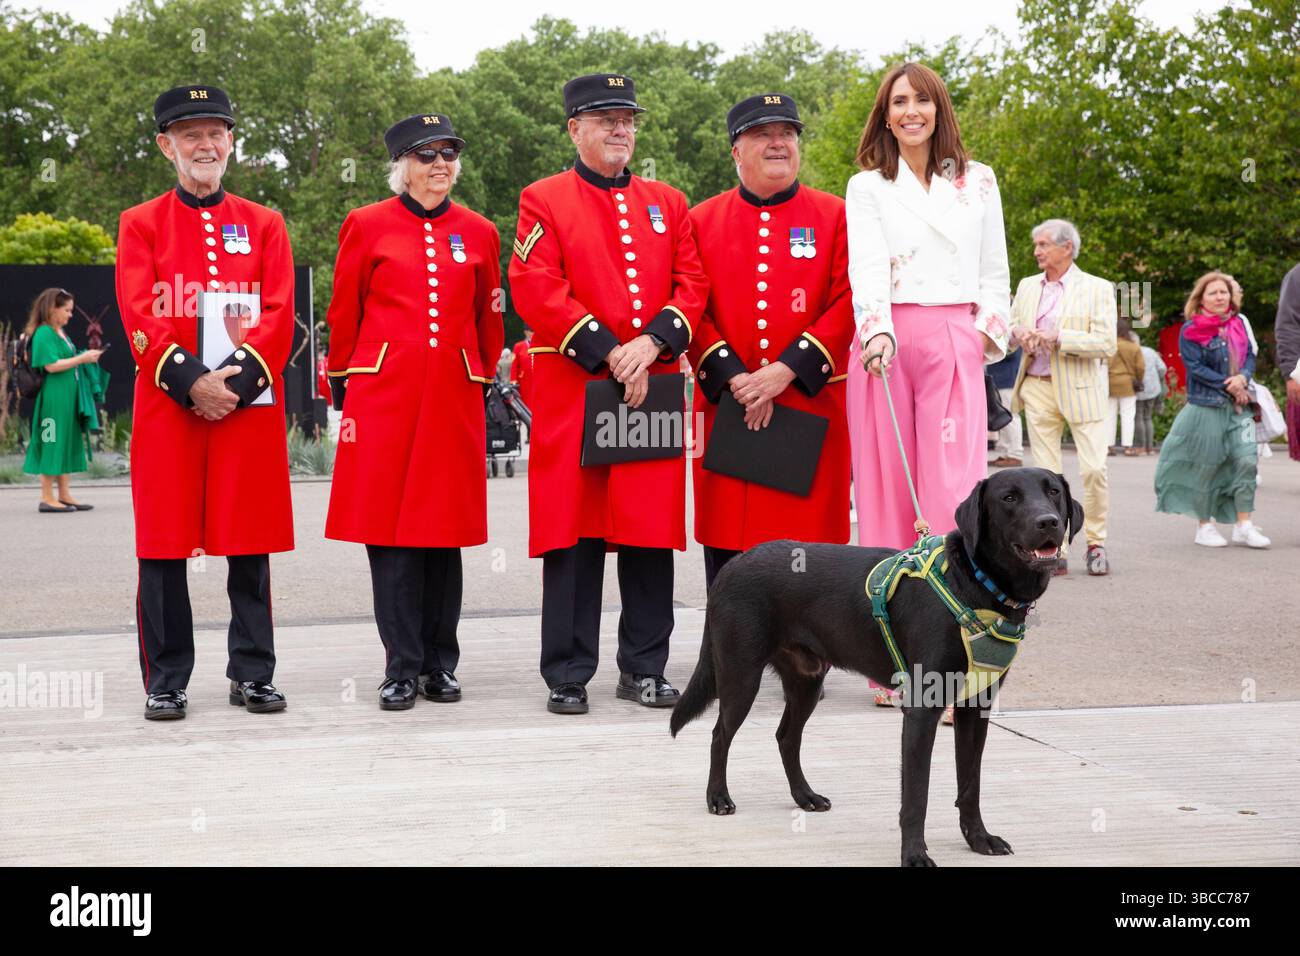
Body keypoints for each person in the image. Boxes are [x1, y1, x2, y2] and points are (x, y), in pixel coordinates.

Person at [508, 73, 708, 715]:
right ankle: (568, 672)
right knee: (575, 530)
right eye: (604, 119)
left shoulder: (669, 202)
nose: (620, 129)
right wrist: (607, 348)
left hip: (648, 384)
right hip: (578, 386)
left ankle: (645, 668)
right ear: (575, 128)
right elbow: (534, 285)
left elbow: (692, 285)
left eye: (627, 119)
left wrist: (650, 343)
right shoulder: (543, 198)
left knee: (648, 528)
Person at [115, 85, 295, 720]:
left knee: (250, 542)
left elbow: (279, 313)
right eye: (191, 134)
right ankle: (166, 678)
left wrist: (234, 384)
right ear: (167, 146)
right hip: (170, 409)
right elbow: (139, 314)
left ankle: (253, 672)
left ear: (230, 142)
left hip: (244, 409)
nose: (206, 144)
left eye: (216, 132)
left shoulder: (266, 223)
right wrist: (191, 381)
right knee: (163, 547)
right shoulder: (140, 223)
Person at [324, 114, 503, 710]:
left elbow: (488, 317)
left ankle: (439, 664)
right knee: (392, 535)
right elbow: (344, 308)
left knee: (442, 535)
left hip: (454, 394)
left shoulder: (479, 231)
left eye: (449, 153)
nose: (440, 165)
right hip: (384, 396)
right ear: (401, 166)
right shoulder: (366, 224)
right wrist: (342, 384)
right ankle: (400, 666)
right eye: (426, 155)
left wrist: (480, 376)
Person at [688, 93, 853, 588]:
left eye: (788, 133)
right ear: (735, 150)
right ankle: (727, 663)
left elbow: (848, 300)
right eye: (763, 134)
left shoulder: (836, 214)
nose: (779, 143)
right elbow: (689, 305)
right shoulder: (698, 221)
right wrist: (738, 379)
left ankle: (806, 666)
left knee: (810, 560)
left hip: (808, 403)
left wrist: (783, 373)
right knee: (731, 561)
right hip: (728, 406)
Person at [1008, 219, 1116, 576]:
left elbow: (1106, 343)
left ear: (1066, 247)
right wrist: (1018, 332)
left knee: (1094, 469)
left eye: (1043, 245)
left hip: (1082, 390)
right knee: (1047, 476)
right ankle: (1055, 548)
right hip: (1037, 387)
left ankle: (1096, 542)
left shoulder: (1097, 288)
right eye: (1036, 245)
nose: (1036, 251)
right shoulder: (1026, 286)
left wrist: (1060, 337)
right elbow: (1008, 328)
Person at [1155, 271, 1268, 548]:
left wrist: (1243, 377)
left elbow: (1250, 356)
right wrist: (1230, 384)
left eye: (1224, 292)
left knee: (1247, 462)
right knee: (1207, 467)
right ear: (1201, 298)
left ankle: (1244, 525)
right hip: (1207, 406)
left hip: (1239, 407)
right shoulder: (1191, 329)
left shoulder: (1239, 323)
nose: (1220, 297)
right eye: (1213, 292)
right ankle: (1204, 526)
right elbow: (1195, 368)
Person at [22, 288, 103, 511]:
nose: (70, 315)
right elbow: (50, 366)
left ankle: (64, 494)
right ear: (52, 308)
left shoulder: (59, 332)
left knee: (64, 440)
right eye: (66, 310)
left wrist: (85, 358)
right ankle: (47, 497)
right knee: (51, 441)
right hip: (53, 400)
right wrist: (82, 358)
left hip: (66, 398)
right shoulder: (44, 333)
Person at [1104, 317, 1145, 456]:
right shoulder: (1133, 347)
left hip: (1110, 384)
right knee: (1128, 416)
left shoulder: (1109, 345)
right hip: (1128, 384)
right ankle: (1127, 447)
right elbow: (1140, 367)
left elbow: (1103, 365)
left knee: (1109, 415)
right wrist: (1138, 380)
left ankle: (1108, 446)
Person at [988, 343, 1023, 467]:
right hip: (1000, 378)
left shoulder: (1011, 327)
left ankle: (1015, 454)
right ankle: (1005, 453)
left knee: (1011, 415)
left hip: (1008, 378)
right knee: (1002, 416)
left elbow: (1010, 350)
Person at [1134, 332, 1167, 455]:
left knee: (1139, 416)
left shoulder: (1132, 353)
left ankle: (1141, 447)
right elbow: (1163, 368)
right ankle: (1150, 448)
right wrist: (1156, 379)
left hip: (1138, 389)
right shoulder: (1150, 351)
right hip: (1153, 389)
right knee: (1148, 417)